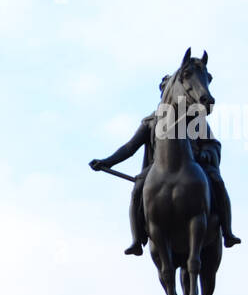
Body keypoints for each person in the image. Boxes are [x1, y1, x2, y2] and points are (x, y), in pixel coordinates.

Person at [90, 71, 239, 255]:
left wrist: (208, 154)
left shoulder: (194, 119)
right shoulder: (151, 122)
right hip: (158, 168)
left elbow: (211, 143)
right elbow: (130, 146)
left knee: (218, 182)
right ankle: (137, 240)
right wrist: (107, 162)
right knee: (138, 190)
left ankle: (227, 232)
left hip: (196, 165)